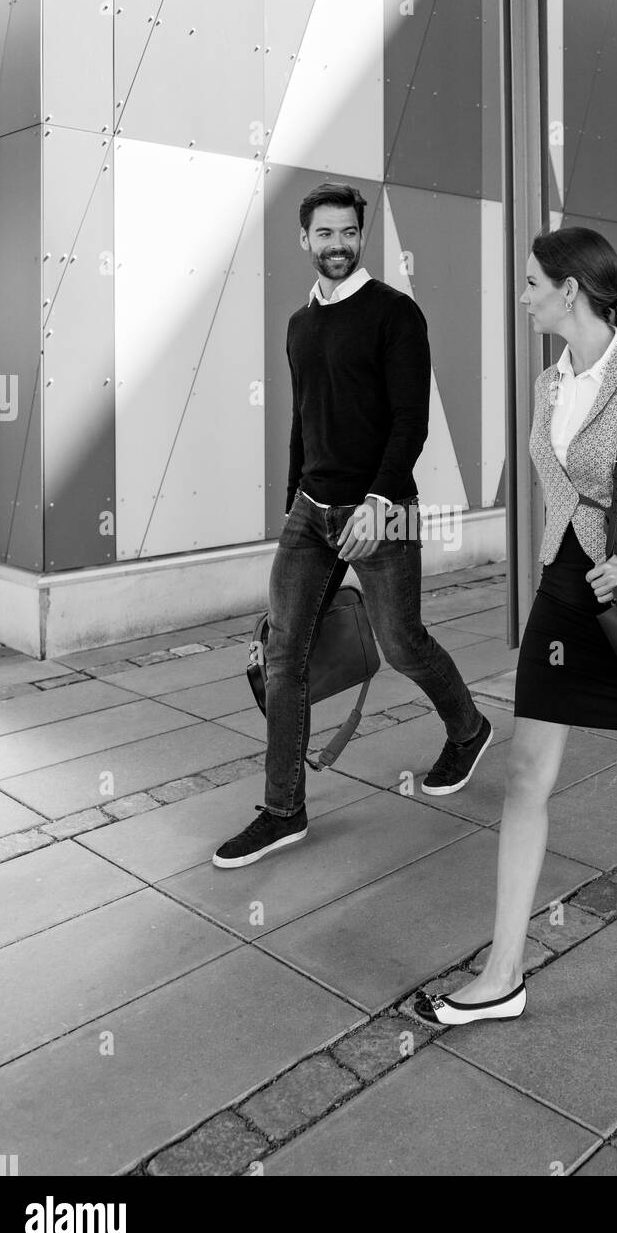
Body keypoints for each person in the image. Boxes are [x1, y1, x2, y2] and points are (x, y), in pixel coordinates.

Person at [415, 226, 617, 1027]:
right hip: (566, 589)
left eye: (531, 285)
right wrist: (572, 562)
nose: (521, 297)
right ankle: (504, 969)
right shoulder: (549, 382)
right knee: (527, 775)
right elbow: (561, 489)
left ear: (571, 289)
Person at [213, 182, 492, 867]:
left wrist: (376, 502)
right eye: (324, 234)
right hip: (311, 513)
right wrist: (290, 504)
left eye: (348, 232)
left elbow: (410, 421)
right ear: (304, 240)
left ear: (360, 237)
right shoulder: (300, 325)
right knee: (284, 656)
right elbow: (303, 420)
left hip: (382, 509)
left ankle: (468, 728)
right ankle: (284, 810)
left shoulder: (396, 315)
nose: (337, 244)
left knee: (401, 643)